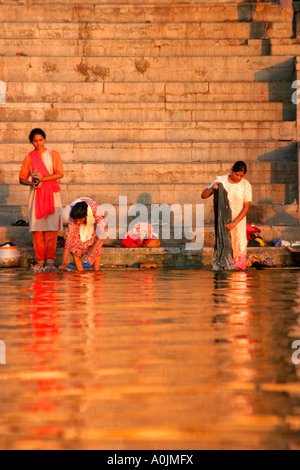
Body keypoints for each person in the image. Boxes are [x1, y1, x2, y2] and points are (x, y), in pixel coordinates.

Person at [19, 128, 64, 270]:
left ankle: (50, 260)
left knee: (51, 228)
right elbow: (22, 178)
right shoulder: (30, 157)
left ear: (44, 139)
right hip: (36, 195)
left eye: (40, 140)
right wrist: (32, 183)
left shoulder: (53, 154)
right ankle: (40, 261)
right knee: (37, 229)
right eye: (35, 141)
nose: (38, 143)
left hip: (52, 195)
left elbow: (60, 173)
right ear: (31, 142)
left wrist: (44, 178)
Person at [201, 161, 252, 270]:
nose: (238, 177)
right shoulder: (221, 180)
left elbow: (246, 207)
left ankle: (238, 281)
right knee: (222, 247)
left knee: (238, 248)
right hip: (222, 224)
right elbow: (203, 195)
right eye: (236, 174)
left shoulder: (246, 185)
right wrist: (212, 189)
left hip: (237, 224)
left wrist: (234, 223)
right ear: (232, 169)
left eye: (241, 176)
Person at [59, 198, 106, 272]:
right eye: (76, 220)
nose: (77, 222)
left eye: (80, 220)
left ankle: (97, 273)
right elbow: (69, 238)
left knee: (96, 246)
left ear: (86, 215)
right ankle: (80, 273)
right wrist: (64, 262)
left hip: (94, 224)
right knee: (75, 246)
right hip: (80, 217)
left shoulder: (96, 210)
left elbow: (102, 232)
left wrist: (93, 249)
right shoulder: (73, 213)